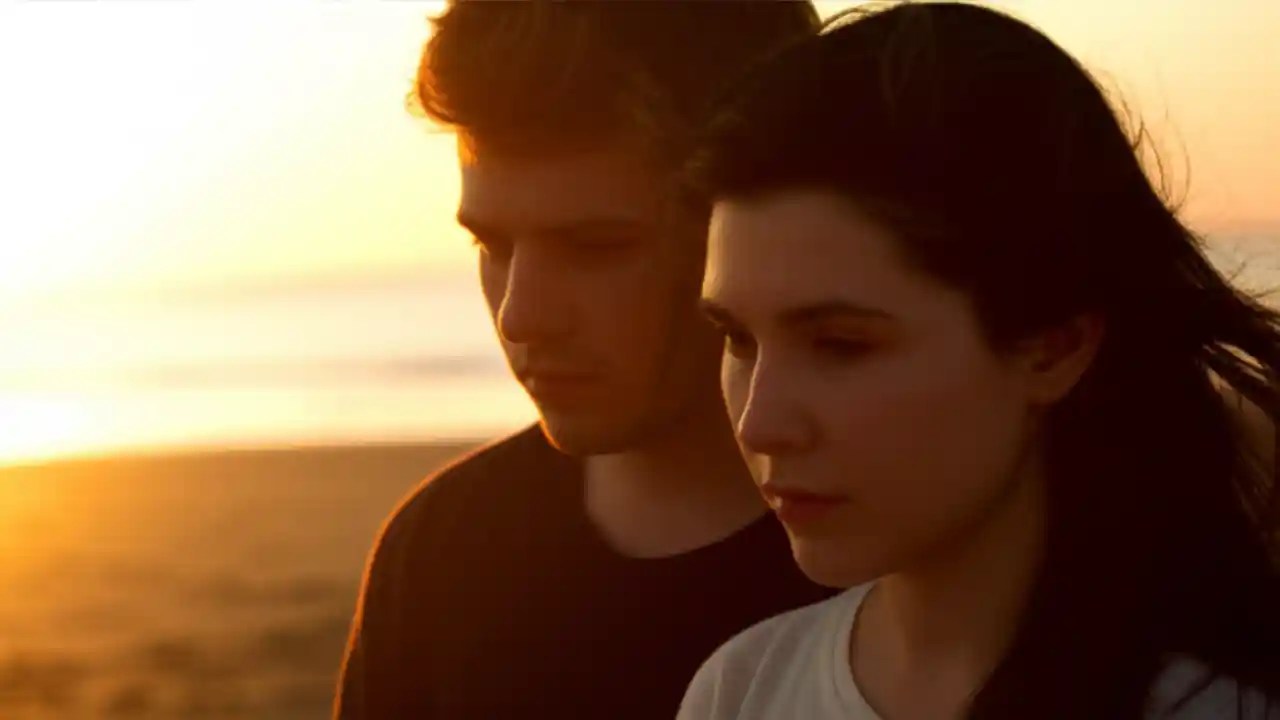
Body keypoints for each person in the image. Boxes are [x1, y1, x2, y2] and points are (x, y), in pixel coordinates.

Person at [678, 3, 1280, 719]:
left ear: (1054, 346)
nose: (759, 422)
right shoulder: (741, 690)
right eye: (738, 339)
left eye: (841, 345)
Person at [334, 3, 832, 718]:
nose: (521, 315)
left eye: (596, 249)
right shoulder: (442, 550)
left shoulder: (914, 567)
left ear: (749, 225)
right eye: (493, 246)